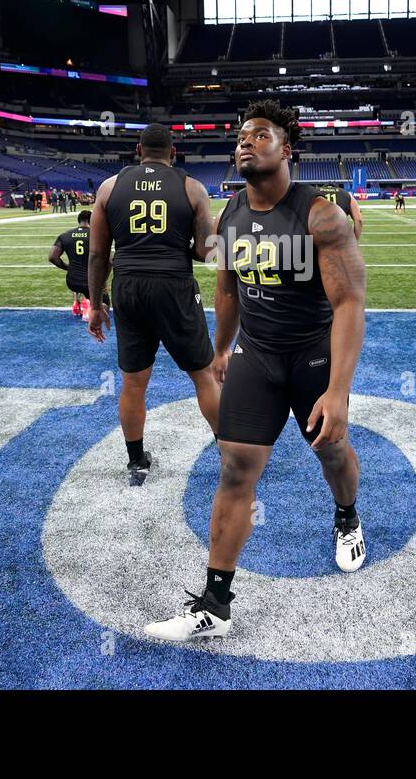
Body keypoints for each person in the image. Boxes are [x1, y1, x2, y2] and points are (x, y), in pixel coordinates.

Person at [144, 99, 368, 642]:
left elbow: (350, 304)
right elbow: (226, 290)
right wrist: (221, 349)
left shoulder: (320, 214)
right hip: (256, 354)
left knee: (332, 450)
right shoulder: (231, 214)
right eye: (241, 136)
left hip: (312, 354)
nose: (246, 142)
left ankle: (347, 516)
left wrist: (338, 391)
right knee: (236, 467)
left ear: (286, 148)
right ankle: (215, 604)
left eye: (261, 135)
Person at [86, 122, 220, 486]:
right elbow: (206, 252)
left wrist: (96, 304)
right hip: (173, 285)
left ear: (138, 150)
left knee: (133, 383)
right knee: (204, 376)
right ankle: (231, 454)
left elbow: (98, 254)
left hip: (127, 286)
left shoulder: (109, 187)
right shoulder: (191, 187)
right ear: (173, 153)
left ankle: (136, 462)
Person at [49, 209, 109, 318]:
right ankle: (89, 306)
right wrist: (103, 281)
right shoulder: (97, 235)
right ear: (92, 221)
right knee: (105, 303)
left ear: (79, 221)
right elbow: (108, 260)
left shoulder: (65, 235)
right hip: (91, 282)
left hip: (72, 281)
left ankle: (77, 302)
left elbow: (53, 257)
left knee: (78, 274)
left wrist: (68, 268)